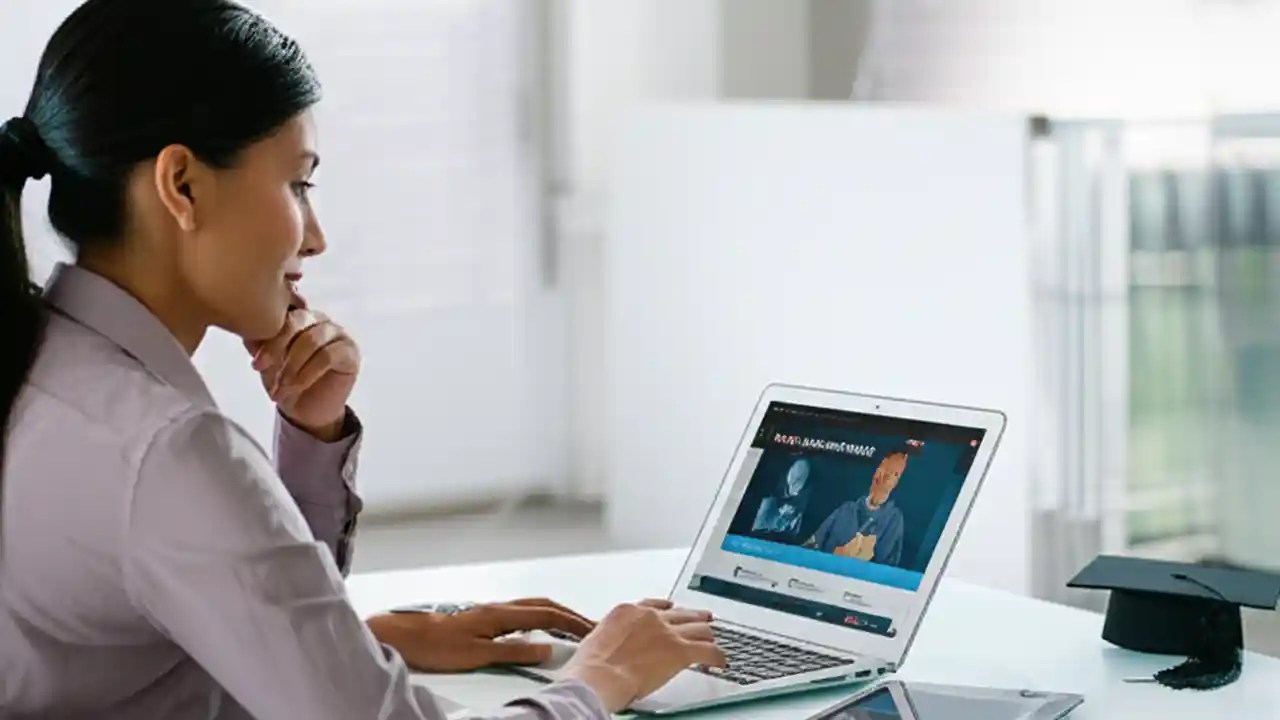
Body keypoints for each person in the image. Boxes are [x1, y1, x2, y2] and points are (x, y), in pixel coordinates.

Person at [0, 1, 724, 718]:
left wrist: (369, 635)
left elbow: (142, 653)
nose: (314, 238)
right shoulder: (166, 452)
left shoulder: (42, 368)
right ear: (182, 186)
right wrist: (600, 679)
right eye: (298, 184)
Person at [802, 446, 917, 567]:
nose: (886, 476)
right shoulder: (846, 509)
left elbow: (887, 570)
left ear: (897, 482)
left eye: (895, 474)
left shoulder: (894, 519)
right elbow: (809, 546)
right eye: (884, 467)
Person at [751, 457, 812, 537]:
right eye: (793, 474)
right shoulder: (767, 503)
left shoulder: (802, 509)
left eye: (799, 478)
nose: (795, 479)